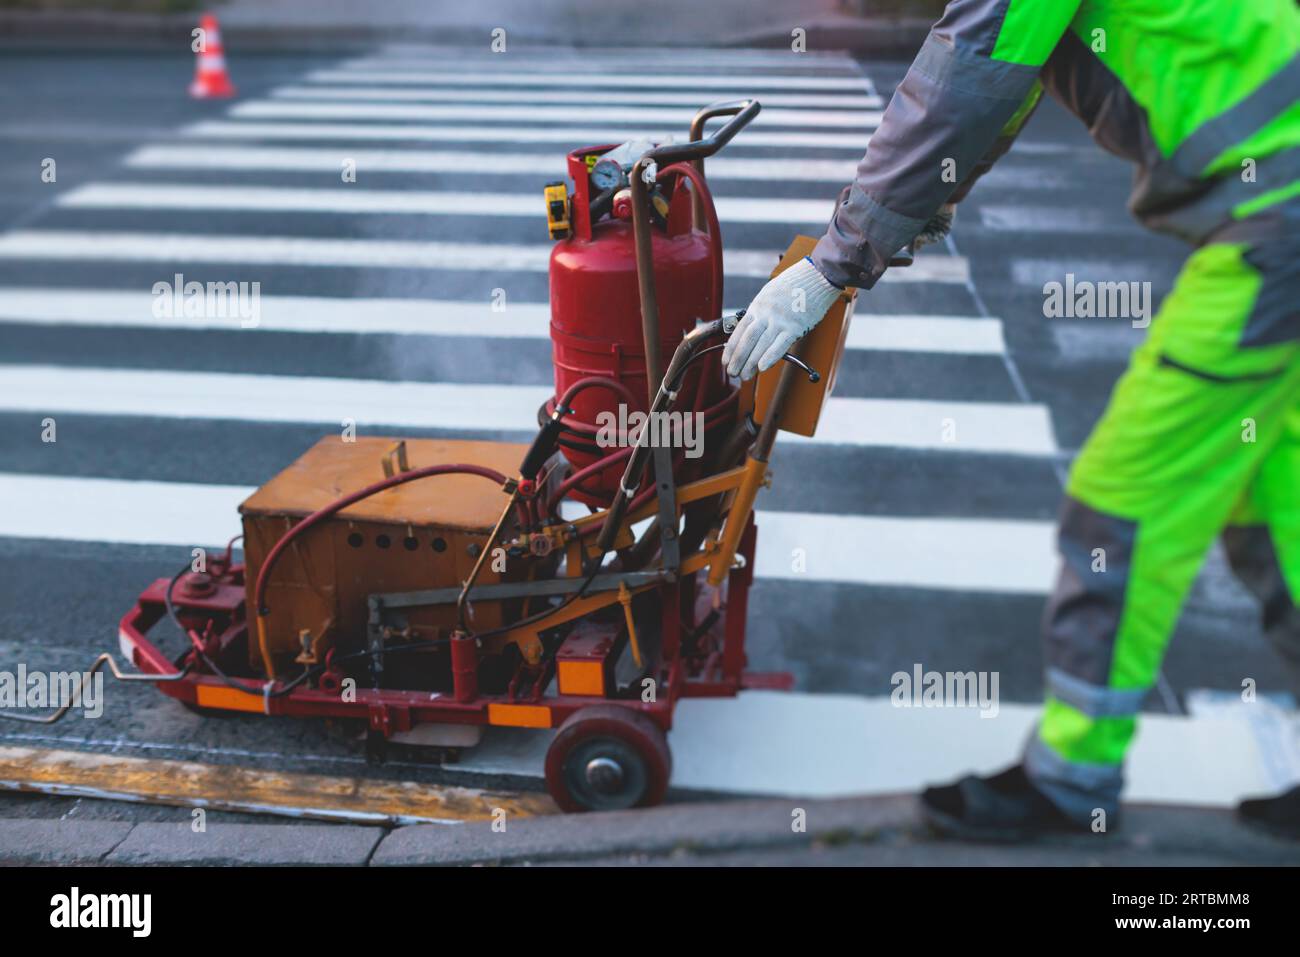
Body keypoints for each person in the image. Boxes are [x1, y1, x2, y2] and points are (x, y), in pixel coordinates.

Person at [721, 0, 1300, 840]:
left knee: (1126, 498)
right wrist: (918, 206)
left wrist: (834, 264)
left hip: (1277, 221)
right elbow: (1008, 80)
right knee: (1275, 498)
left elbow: (974, 69)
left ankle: (1073, 778)